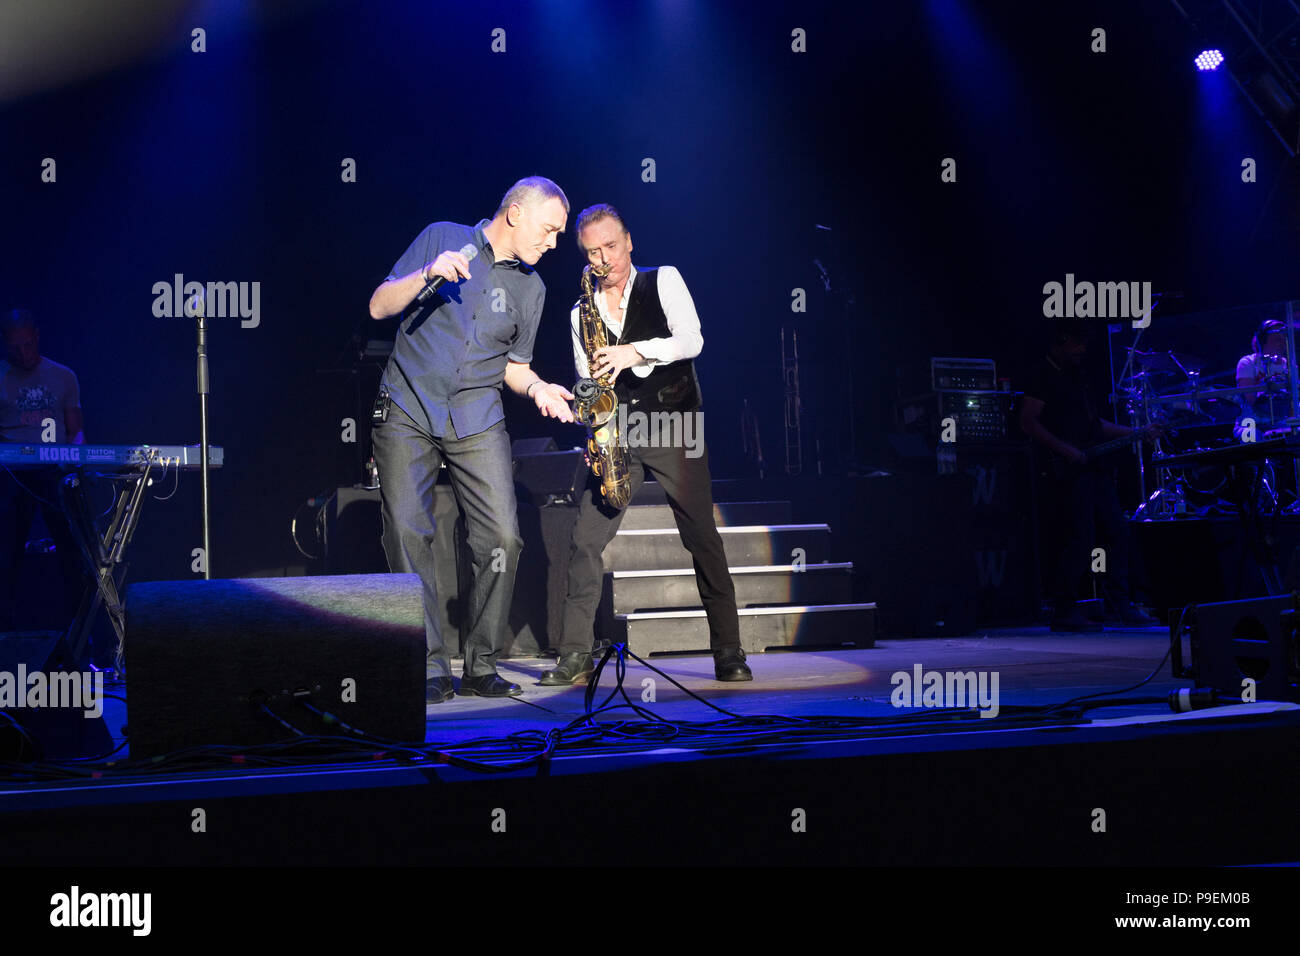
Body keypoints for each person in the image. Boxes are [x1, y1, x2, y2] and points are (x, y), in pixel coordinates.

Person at [367, 177, 577, 702]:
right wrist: (426, 274)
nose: (553, 244)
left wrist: (539, 389)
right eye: (549, 230)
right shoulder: (443, 236)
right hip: (409, 406)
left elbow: (516, 366)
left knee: (503, 537)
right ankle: (429, 664)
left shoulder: (533, 288)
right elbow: (378, 306)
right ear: (514, 212)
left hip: (477, 414)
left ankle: (481, 663)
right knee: (408, 532)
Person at [539, 203, 751, 684]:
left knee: (701, 537)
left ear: (629, 242)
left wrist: (635, 351)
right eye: (592, 252)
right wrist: (590, 424)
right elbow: (585, 378)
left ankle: (729, 652)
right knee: (584, 541)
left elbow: (692, 340)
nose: (603, 260)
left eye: (610, 247)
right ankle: (574, 654)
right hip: (619, 434)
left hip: (677, 425)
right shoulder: (580, 311)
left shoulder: (665, 279)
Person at [1020, 320, 1157, 631]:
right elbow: (1028, 422)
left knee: (1118, 532)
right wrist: (1065, 450)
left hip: (1095, 466)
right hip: (1066, 470)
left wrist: (1136, 432)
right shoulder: (1042, 374)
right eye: (1077, 343)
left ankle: (1120, 605)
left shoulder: (1079, 376)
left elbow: (1097, 426)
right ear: (1061, 341)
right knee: (1079, 539)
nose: (1082, 349)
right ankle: (1064, 610)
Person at [0, 308, 85, 632]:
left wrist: (76, 460)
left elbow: (76, 430)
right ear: (6, 346)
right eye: (15, 347)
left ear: (37, 336)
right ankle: (6, 637)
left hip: (54, 470)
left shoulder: (63, 376)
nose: (23, 353)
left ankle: (80, 637)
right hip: (11, 473)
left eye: (28, 344)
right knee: (6, 554)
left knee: (72, 552)